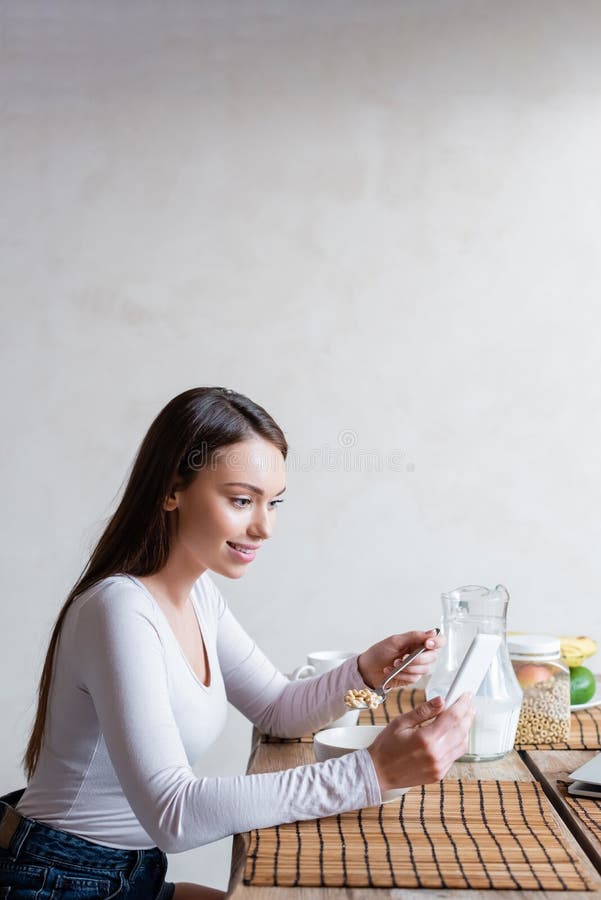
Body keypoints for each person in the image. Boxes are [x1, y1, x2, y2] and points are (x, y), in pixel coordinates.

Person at [0, 387, 475, 899]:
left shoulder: (197, 593)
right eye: (242, 500)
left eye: (274, 503)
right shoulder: (118, 610)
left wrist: (366, 671)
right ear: (171, 490)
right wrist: (371, 772)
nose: (264, 526)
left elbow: (276, 709)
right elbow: (174, 814)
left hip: (126, 875)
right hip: (56, 879)